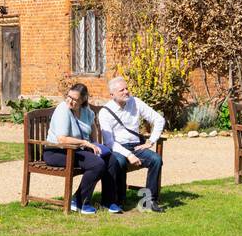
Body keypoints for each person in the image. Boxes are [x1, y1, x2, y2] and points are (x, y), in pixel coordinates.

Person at [45, 83, 116, 215]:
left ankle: (108, 201)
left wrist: (95, 143)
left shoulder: (85, 110)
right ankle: (78, 201)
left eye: (74, 99)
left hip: (77, 150)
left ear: (83, 100)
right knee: (97, 164)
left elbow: (92, 125)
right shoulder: (63, 109)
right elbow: (62, 139)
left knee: (110, 158)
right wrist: (86, 143)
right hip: (57, 151)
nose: (70, 101)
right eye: (69, 97)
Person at [97, 76, 167, 212]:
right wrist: (129, 155)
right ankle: (119, 199)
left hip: (136, 146)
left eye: (127, 88)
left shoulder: (136, 102)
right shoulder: (105, 112)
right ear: (112, 95)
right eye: (121, 90)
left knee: (156, 160)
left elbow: (159, 119)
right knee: (120, 162)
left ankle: (149, 201)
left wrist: (151, 140)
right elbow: (109, 142)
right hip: (117, 148)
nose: (126, 92)